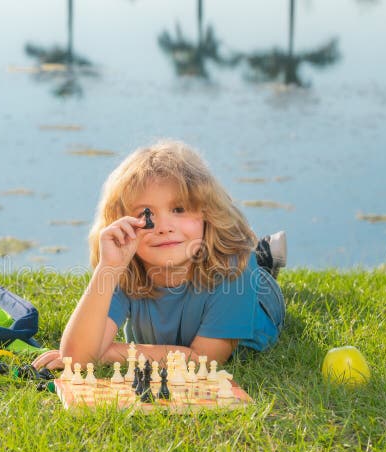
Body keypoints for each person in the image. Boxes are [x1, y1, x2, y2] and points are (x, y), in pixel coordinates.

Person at [32, 140, 286, 370]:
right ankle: (262, 254)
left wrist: (107, 353)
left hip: (260, 300)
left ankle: (260, 257)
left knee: (244, 260)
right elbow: (76, 357)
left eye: (179, 209)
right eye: (146, 214)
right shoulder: (126, 266)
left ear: (207, 214)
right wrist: (107, 269)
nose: (164, 227)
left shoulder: (234, 270)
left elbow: (204, 360)